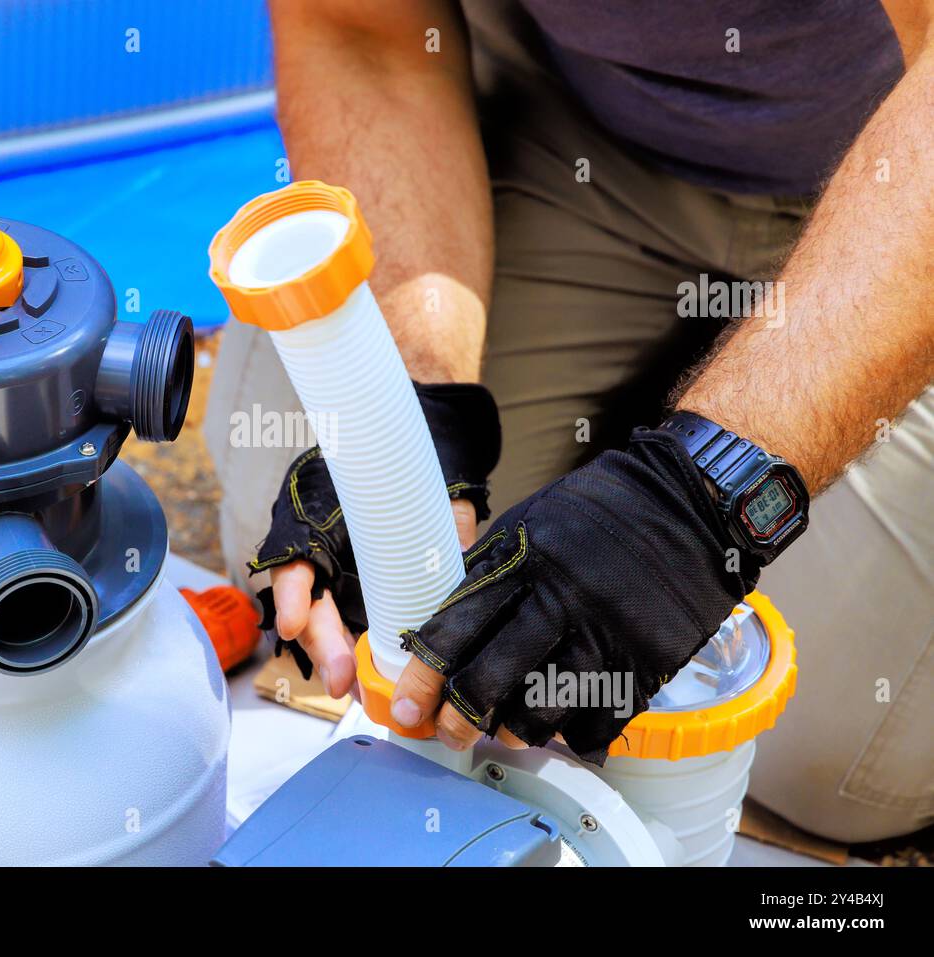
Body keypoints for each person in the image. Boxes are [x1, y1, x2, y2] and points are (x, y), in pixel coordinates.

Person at [205, 0, 934, 843]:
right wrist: (412, 403)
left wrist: (697, 498)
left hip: (898, 167)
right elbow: (359, 29)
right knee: (344, 595)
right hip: (582, 126)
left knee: (844, 756)